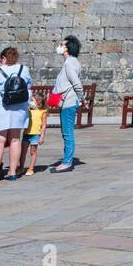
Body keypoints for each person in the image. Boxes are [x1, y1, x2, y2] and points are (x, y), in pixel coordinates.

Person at [0, 47, 34, 184]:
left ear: (4, 58)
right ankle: (12, 173)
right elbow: (28, 90)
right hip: (19, 110)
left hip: (1, 110)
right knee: (15, 140)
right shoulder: (25, 70)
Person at [50, 35, 84, 173]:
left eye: (61, 44)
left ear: (67, 48)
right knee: (66, 132)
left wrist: (81, 99)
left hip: (68, 103)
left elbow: (77, 84)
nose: (59, 46)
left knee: (67, 133)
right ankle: (67, 160)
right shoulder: (73, 61)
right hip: (69, 101)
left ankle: (67, 162)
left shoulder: (69, 63)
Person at [19, 104, 47, 176]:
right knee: (22, 152)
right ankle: (21, 167)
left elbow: (44, 125)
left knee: (33, 152)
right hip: (26, 134)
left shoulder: (42, 111)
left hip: (35, 134)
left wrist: (42, 136)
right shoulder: (28, 110)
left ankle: (31, 168)